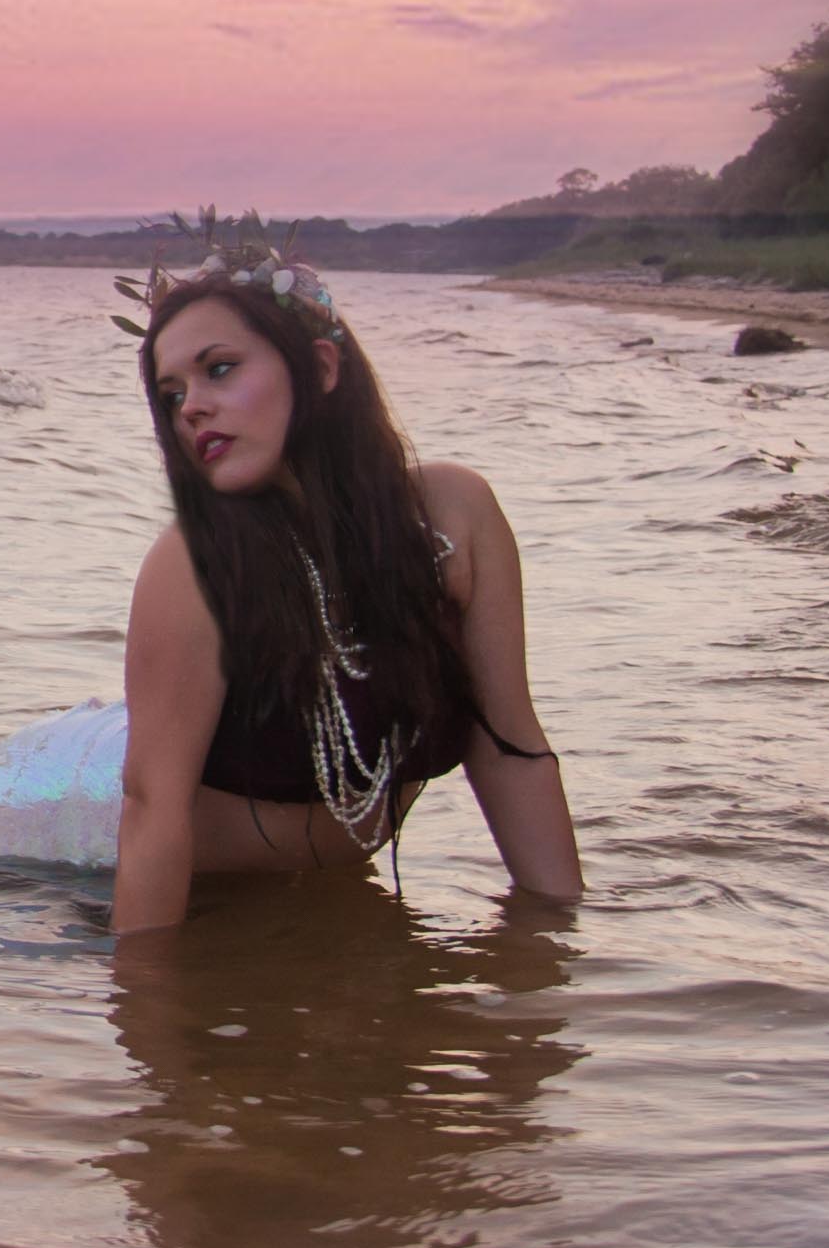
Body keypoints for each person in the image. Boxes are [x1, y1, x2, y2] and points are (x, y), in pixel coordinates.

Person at [111, 246, 582, 937]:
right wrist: (151, 1016)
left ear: (322, 368)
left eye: (219, 369)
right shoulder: (191, 563)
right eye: (172, 394)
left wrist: (564, 953)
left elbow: (508, 747)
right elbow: (151, 808)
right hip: (86, 856)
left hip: (292, 873)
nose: (191, 409)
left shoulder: (455, 514)